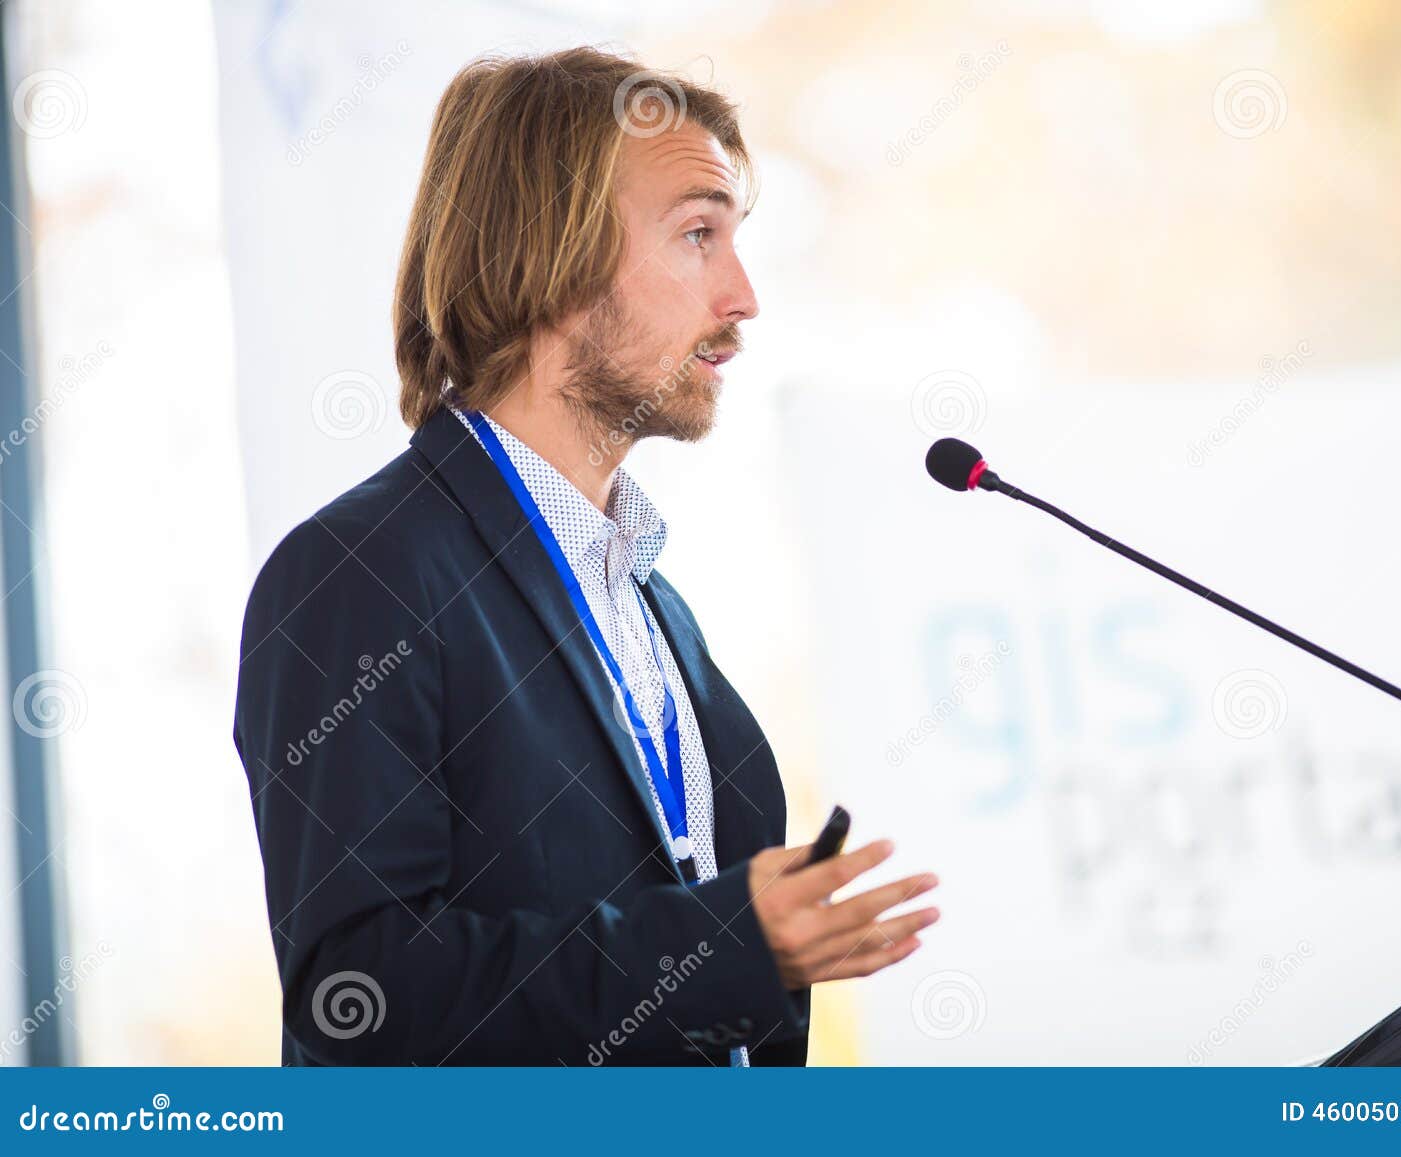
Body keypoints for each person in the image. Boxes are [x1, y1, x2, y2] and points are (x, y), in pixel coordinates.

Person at [233, 47, 939, 1066]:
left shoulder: (655, 605)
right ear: (548, 256)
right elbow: (362, 994)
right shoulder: (359, 571)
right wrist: (722, 946)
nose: (743, 295)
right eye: (697, 235)